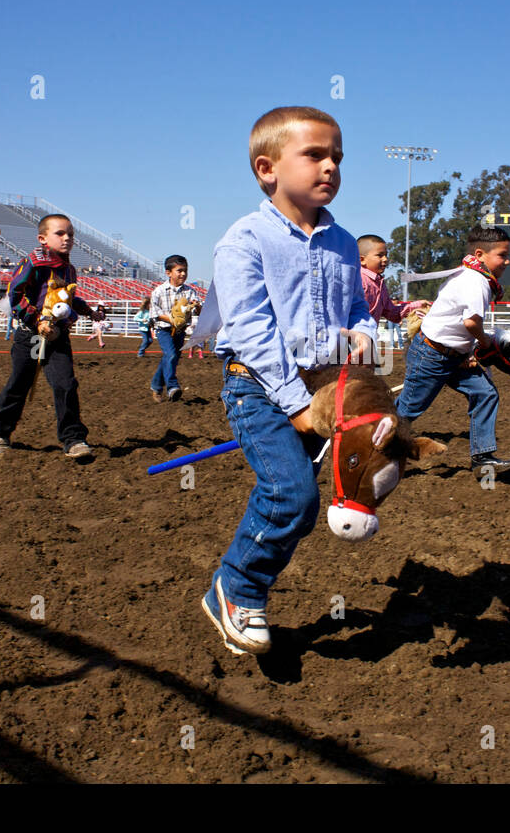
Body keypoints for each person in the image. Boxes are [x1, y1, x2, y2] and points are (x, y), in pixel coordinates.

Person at [194, 105, 377, 656]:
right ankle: (236, 588)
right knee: (291, 496)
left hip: (321, 389)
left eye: (337, 157)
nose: (330, 167)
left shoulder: (345, 243)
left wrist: (365, 331)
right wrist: (298, 405)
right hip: (258, 386)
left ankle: (239, 589)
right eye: (315, 155)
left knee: (297, 503)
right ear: (266, 168)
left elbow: (355, 308)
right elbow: (250, 330)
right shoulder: (243, 240)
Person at [395, 225, 510, 472]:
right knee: (407, 410)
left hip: (450, 354)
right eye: (502, 255)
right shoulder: (477, 282)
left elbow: (463, 324)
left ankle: (483, 456)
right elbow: (471, 323)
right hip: (431, 355)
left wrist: (468, 351)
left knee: (485, 393)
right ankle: (371, 448)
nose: (507, 261)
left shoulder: (472, 276)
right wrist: (485, 344)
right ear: (481, 254)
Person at [0, 214, 106, 458]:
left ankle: (73, 439)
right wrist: (36, 320)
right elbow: (15, 294)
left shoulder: (70, 270)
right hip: (30, 336)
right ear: (42, 238)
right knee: (19, 384)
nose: (67, 238)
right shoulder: (33, 262)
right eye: (60, 233)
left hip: (58, 336)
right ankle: (1, 430)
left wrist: (87, 311)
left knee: (66, 384)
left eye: (70, 234)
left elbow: (68, 299)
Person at [148, 254, 201, 401]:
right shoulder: (158, 291)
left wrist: (197, 306)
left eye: (185, 270)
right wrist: (171, 319)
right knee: (171, 355)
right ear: (168, 272)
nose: (183, 274)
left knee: (171, 358)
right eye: (179, 270)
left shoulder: (190, 291)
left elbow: (199, 310)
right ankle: (172, 387)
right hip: (163, 329)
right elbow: (154, 313)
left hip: (180, 331)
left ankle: (156, 387)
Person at [357, 234, 430, 331]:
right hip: (348, 339)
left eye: (386, 255)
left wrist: (417, 305)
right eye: (380, 255)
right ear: (362, 260)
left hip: (367, 339)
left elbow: (392, 314)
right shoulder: (357, 280)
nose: (385, 259)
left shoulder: (380, 284)